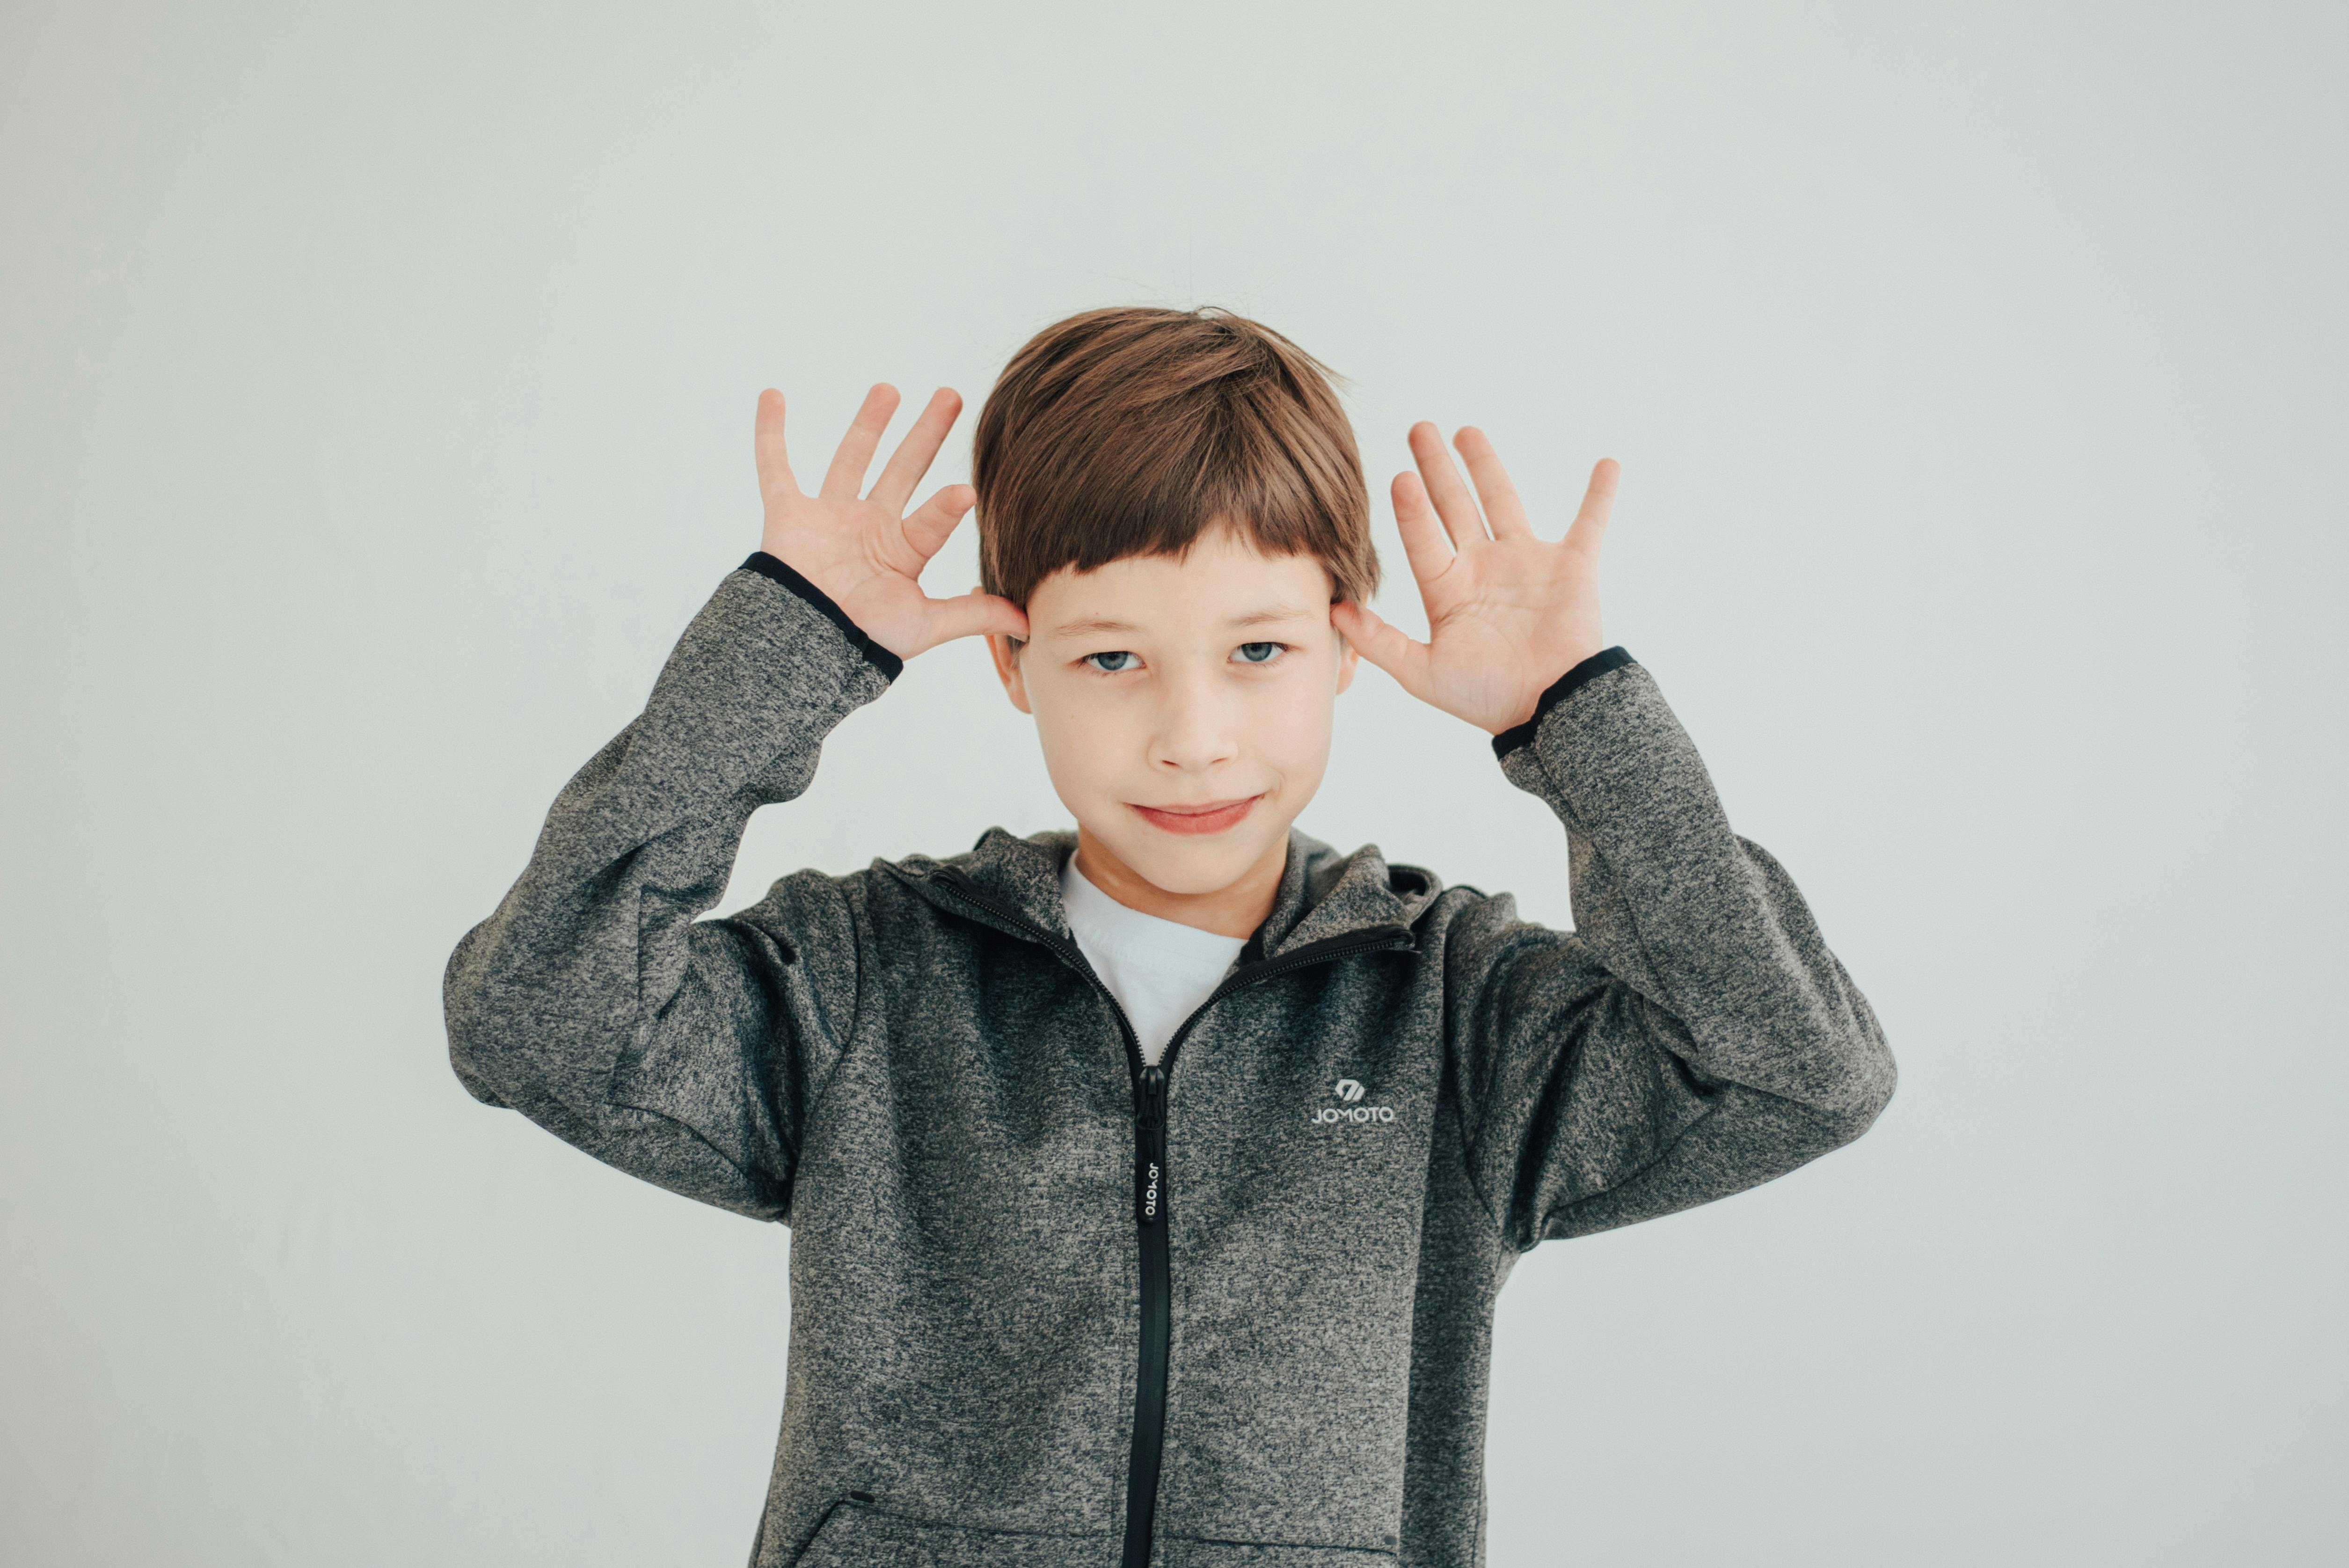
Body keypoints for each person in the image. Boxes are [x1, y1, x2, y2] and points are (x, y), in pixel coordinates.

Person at [443, 306, 1896, 1568]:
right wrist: (784, 661)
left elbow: (1799, 1076)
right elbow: (532, 1025)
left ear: (1344, 641)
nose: (1191, 736)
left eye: (1257, 650)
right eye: (1111, 658)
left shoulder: (1457, 1010)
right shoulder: (864, 978)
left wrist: (1574, 718)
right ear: (1012, 661)